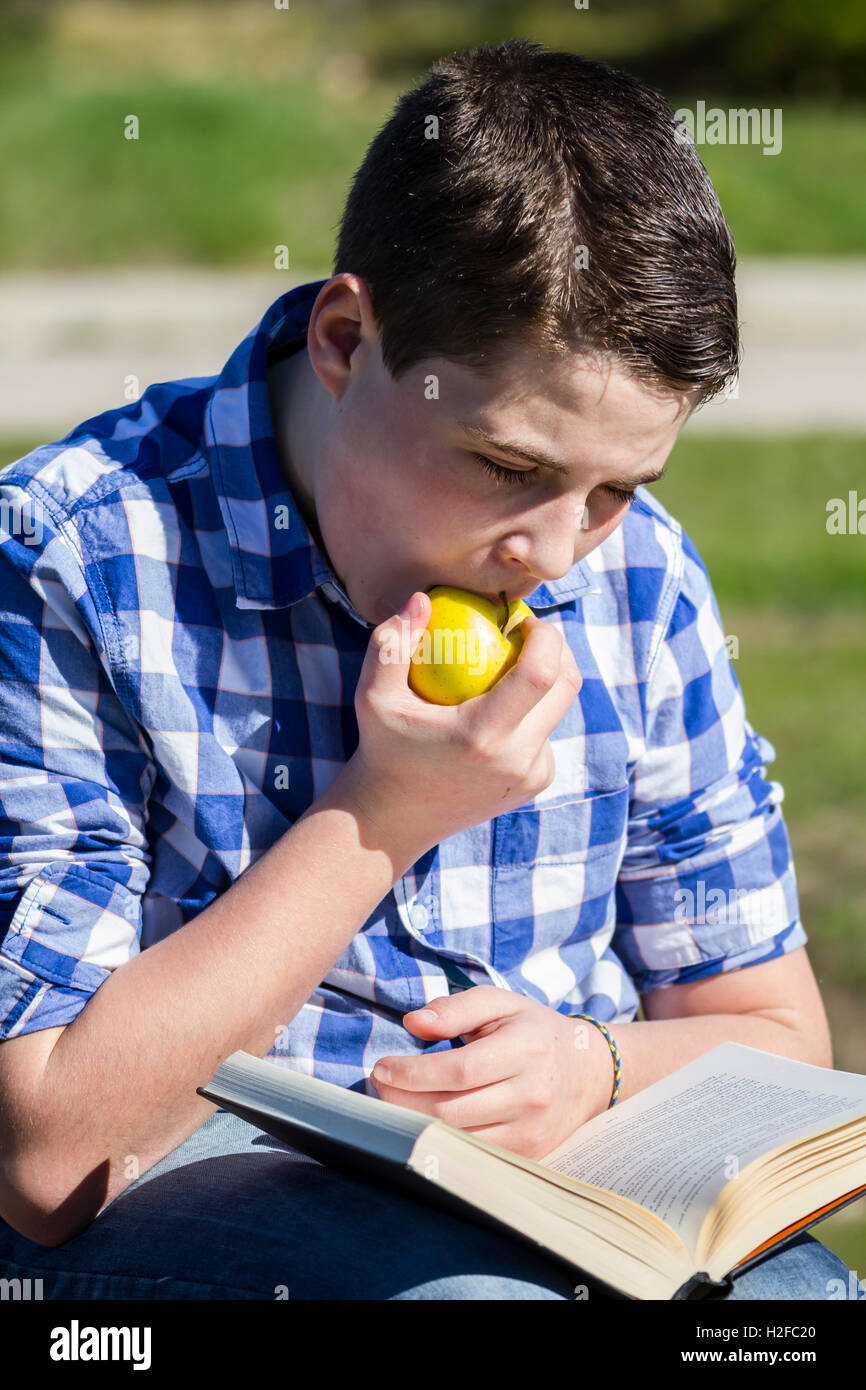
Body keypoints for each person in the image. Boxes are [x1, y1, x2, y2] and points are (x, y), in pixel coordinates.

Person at [0, 39, 858, 1300]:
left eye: (615, 487)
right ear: (346, 337)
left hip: (568, 1175)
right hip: (193, 1187)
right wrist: (388, 810)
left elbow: (774, 1026)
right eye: (508, 469)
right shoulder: (74, 559)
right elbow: (50, 1153)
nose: (553, 554)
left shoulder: (641, 576)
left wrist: (594, 1065)